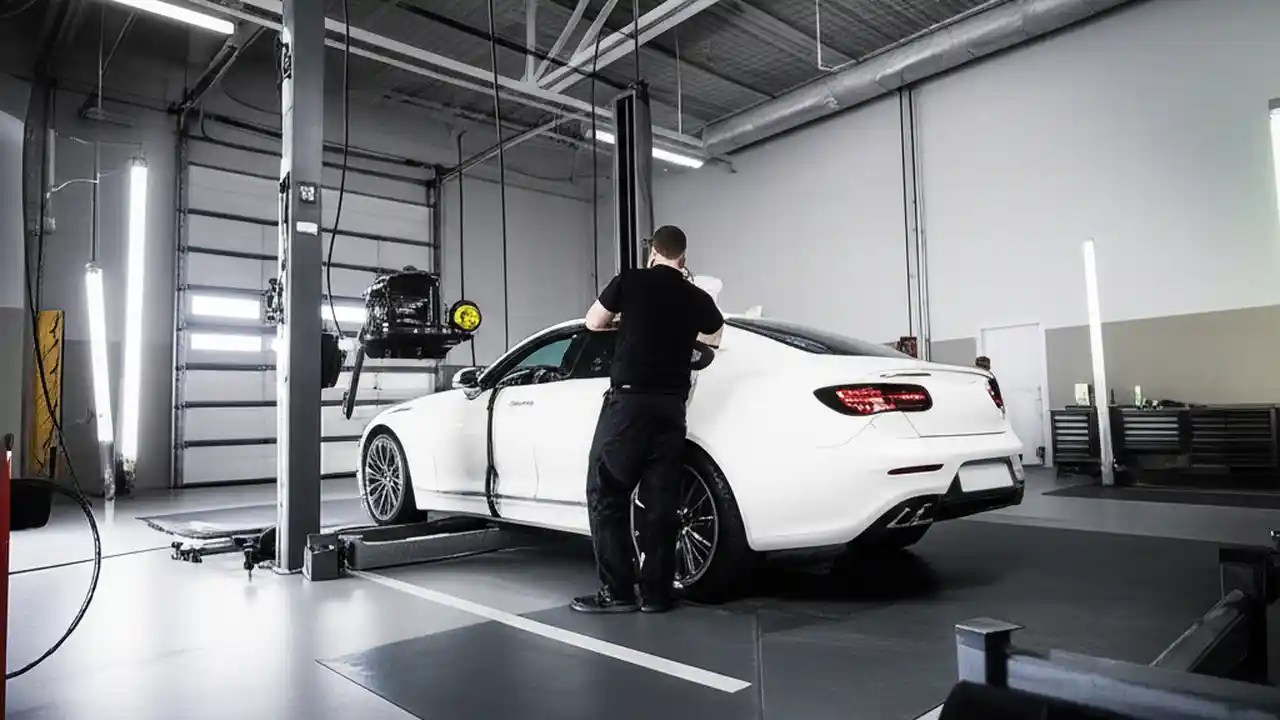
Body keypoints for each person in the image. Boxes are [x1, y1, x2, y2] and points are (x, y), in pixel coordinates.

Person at [571, 225, 724, 614]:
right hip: (671, 407)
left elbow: (592, 322)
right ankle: (657, 595)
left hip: (629, 404)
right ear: (683, 258)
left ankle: (618, 592)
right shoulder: (696, 296)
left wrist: (624, 325)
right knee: (660, 502)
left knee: (607, 492)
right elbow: (714, 338)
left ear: (652, 252)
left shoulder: (631, 282)